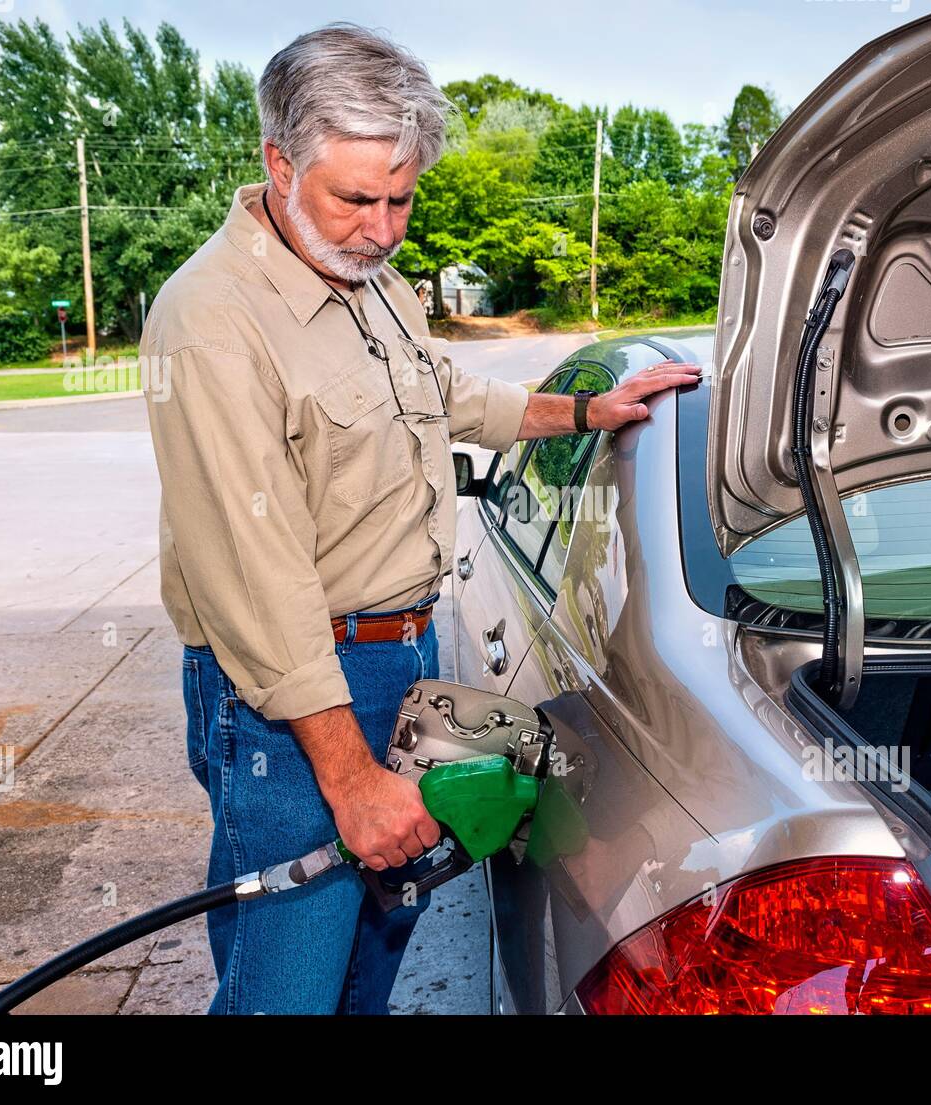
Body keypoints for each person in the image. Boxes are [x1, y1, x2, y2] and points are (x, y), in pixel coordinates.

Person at [140, 22, 699, 1014]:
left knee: (381, 937)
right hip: (287, 689)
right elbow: (253, 574)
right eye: (356, 197)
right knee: (291, 983)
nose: (383, 227)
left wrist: (580, 412)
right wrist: (352, 783)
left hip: (399, 655)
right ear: (277, 162)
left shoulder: (372, 284)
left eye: (400, 198)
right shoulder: (212, 319)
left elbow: (441, 392)